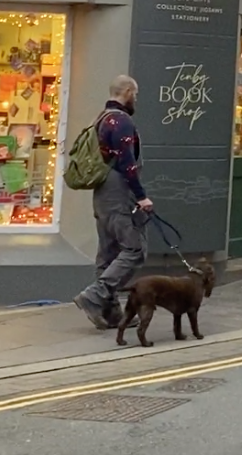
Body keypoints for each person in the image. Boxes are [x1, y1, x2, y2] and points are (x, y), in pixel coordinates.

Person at [74, 75, 151, 330]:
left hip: (102, 194)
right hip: (118, 195)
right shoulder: (121, 120)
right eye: (136, 94)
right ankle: (95, 296)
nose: (136, 99)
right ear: (127, 91)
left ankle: (111, 313)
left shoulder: (101, 118)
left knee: (108, 254)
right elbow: (127, 163)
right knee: (134, 249)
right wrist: (141, 196)